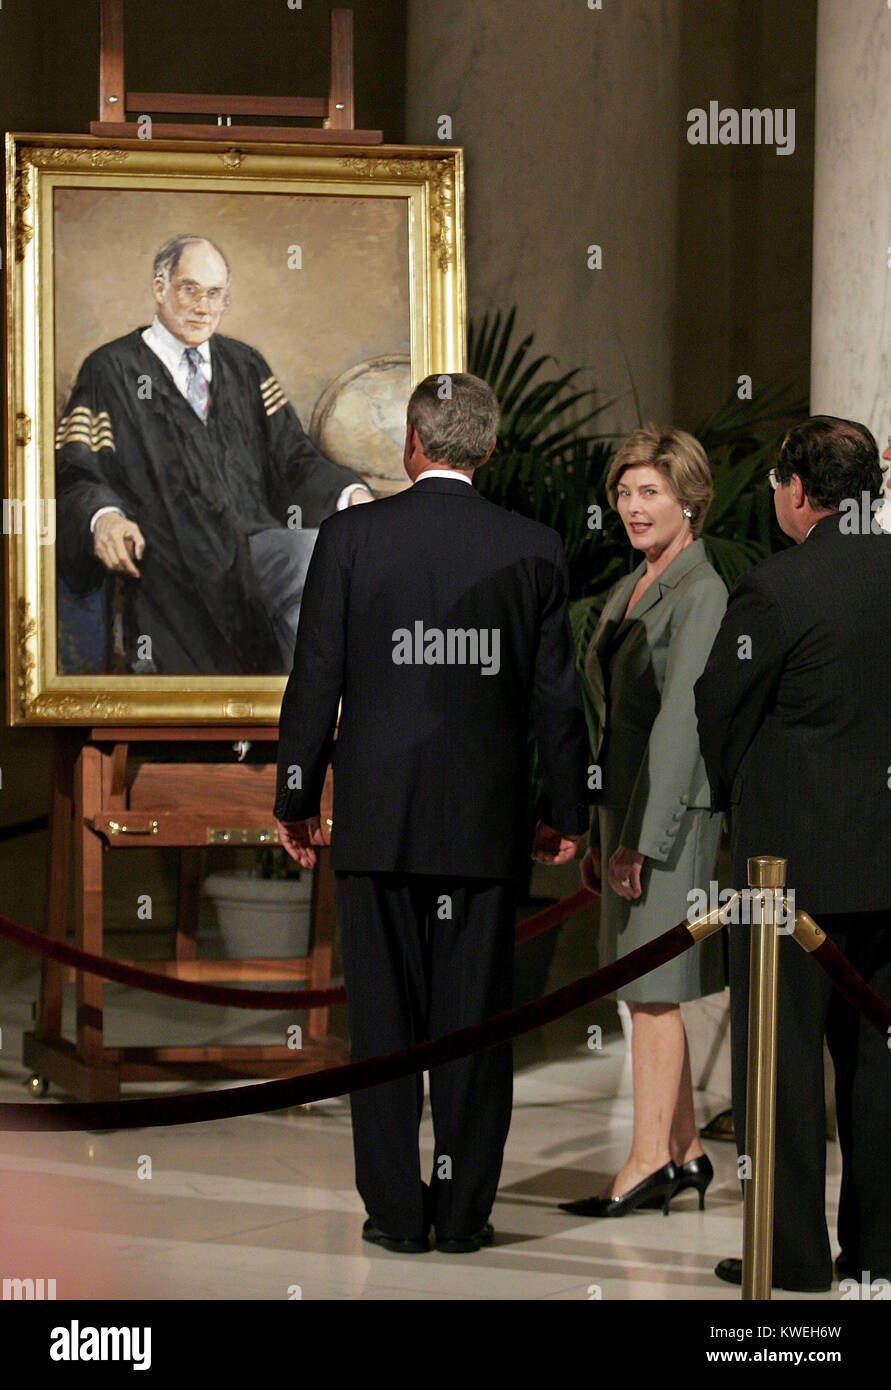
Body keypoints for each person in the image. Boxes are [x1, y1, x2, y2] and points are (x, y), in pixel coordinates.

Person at [274, 373, 590, 1253]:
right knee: (475, 1029)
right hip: (483, 827)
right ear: (486, 449)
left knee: (381, 1029)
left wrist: (296, 796)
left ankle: (395, 1216)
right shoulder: (532, 545)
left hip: (377, 823)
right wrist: (567, 810)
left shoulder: (348, 536)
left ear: (412, 444)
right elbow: (555, 701)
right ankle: (463, 1218)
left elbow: (317, 682)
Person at [695, 415, 891, 1292]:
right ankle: (880, 1255)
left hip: (788, 872)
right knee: (880, 1064)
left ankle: (792, 1258)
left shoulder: (775, 589)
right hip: (885, 864)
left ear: (800, 493)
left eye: (779, 484)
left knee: (776, 1069)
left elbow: (720, 709)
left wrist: (742, 794)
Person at [55, 233, 374, 675]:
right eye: (190, 289)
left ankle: (316, 713)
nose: (203, 307)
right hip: (164, 560)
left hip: (253, 548)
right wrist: (104, 517)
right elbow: (77, 470)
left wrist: (350, 497)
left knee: (324, 558)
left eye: (215, 294)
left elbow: (293, 459)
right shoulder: (110, 369)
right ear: (160, 288)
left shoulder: (246, 365)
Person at [559, 425, 726, 1220]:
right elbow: (616, 728)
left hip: (666, 822)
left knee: (653, 993)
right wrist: (602, 836)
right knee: (644, 989)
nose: (631, 505)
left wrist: (638, 842)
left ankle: (643, 1163)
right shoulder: (639, 581)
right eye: (623, 492)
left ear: (688, 498)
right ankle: (686, 1152)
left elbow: (680, 730)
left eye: (649, 491)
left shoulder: (701, 590)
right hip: (623, 814)